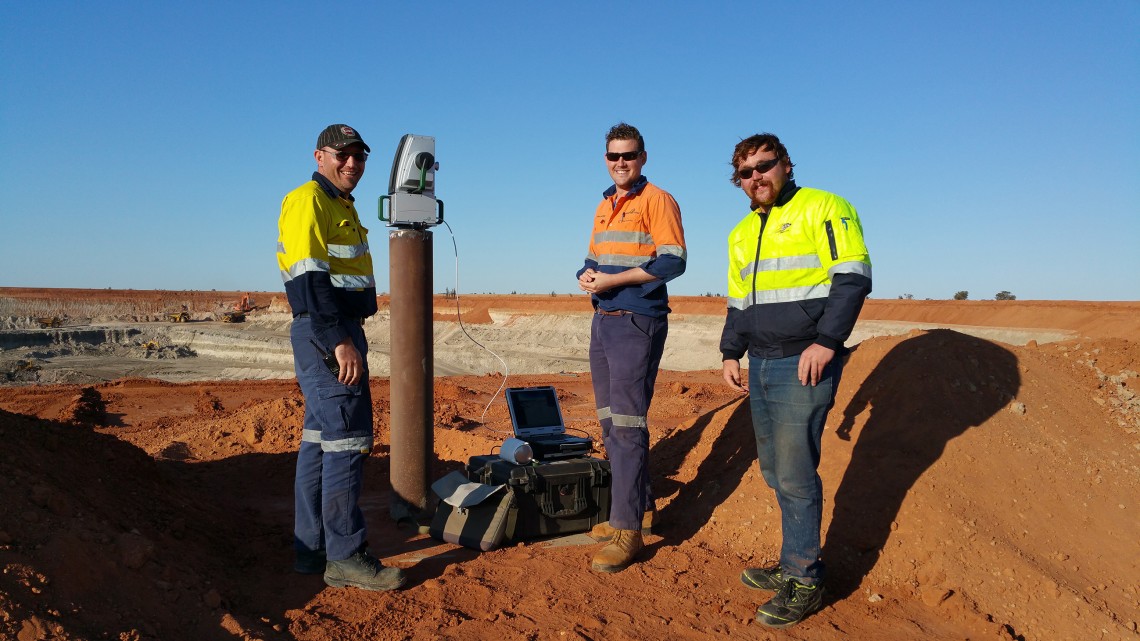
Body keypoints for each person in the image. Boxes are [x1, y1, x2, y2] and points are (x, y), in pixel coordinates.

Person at [720, 133, 871, 627]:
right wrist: (730, 352)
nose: (756, 177)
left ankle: (805, 579)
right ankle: (792, 562)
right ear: (738, 181)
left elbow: (852, 277)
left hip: (802, 360)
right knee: (775, 471)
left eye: (765, 166)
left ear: (785, 164)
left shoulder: (825, 207)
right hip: (761, 362)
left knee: (796, 473)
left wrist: (827, 341)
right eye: (746, 172)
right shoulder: (742, 233)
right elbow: (739, 302)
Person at [277, 124, 405, 591]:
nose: (352, 163)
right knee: (349, 439)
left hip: (335, 331)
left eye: (359, 156)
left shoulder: (340, 205)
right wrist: (338, 340)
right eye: (342, 155)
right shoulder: (308, 200)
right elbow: (309, 279)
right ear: (319, 156)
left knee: (321, 438)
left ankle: (312, 550)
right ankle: (346, 556)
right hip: (327, 333)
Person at [577, 122, 686, 573]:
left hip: (636, 321)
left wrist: (613, 281)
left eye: (629, 155)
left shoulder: (657, 199)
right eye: (613, 156)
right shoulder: (605, 204)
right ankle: (637, 506)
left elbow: (673, 260)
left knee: (627, 424)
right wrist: (586, 276)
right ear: (606, 159)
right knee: (609, 420)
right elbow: (594, 259)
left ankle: (627, 530)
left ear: (643, 157)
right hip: (603, 319)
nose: (620, 162)